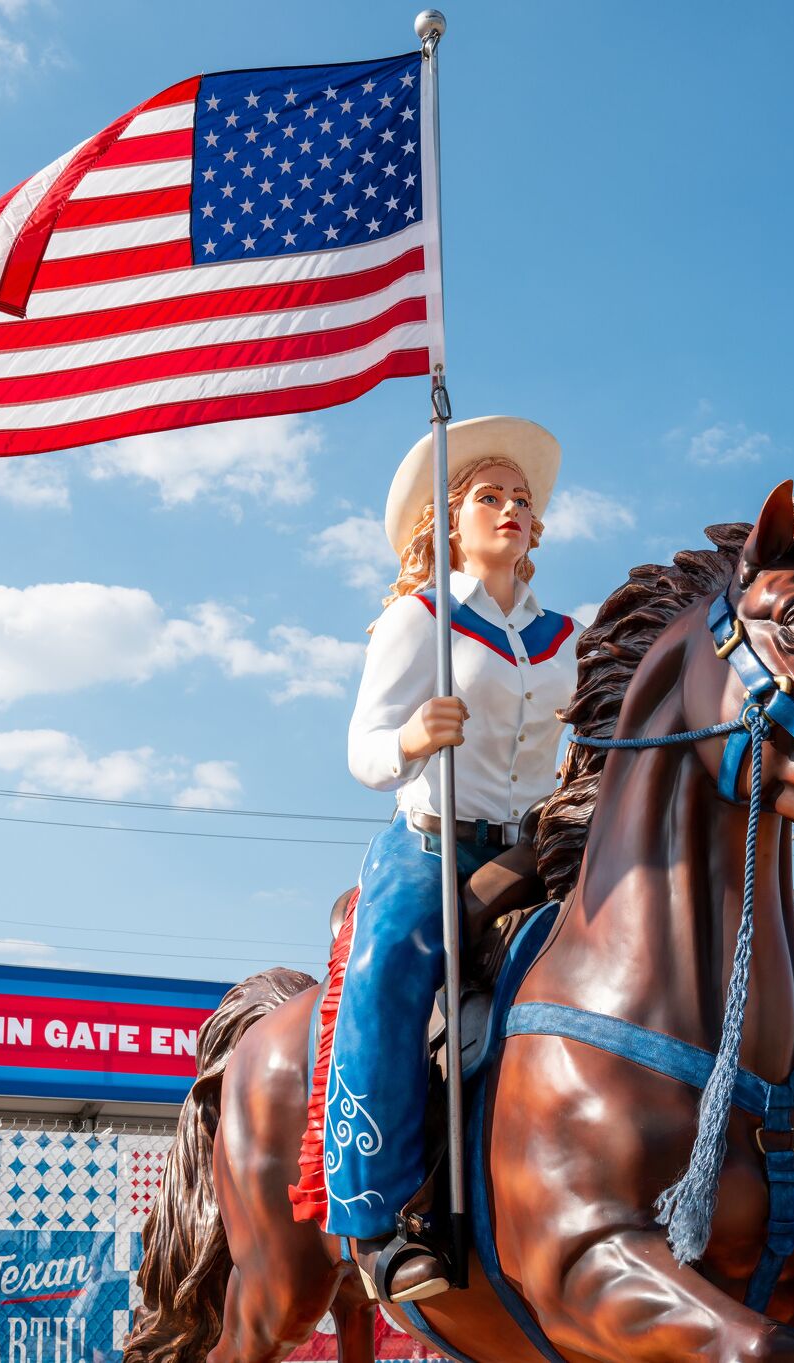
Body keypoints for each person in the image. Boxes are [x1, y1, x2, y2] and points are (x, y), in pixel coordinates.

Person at [324, 415, 578, 1303]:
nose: (511, 508)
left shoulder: (565, 637)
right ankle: (374, 1219)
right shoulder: (418, 619)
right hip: (429, 846)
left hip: (533, 850)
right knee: (388, 969)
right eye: (489, 496)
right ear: (450, 522)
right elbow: (361, 750)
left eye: (520, 499)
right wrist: (410, 735)